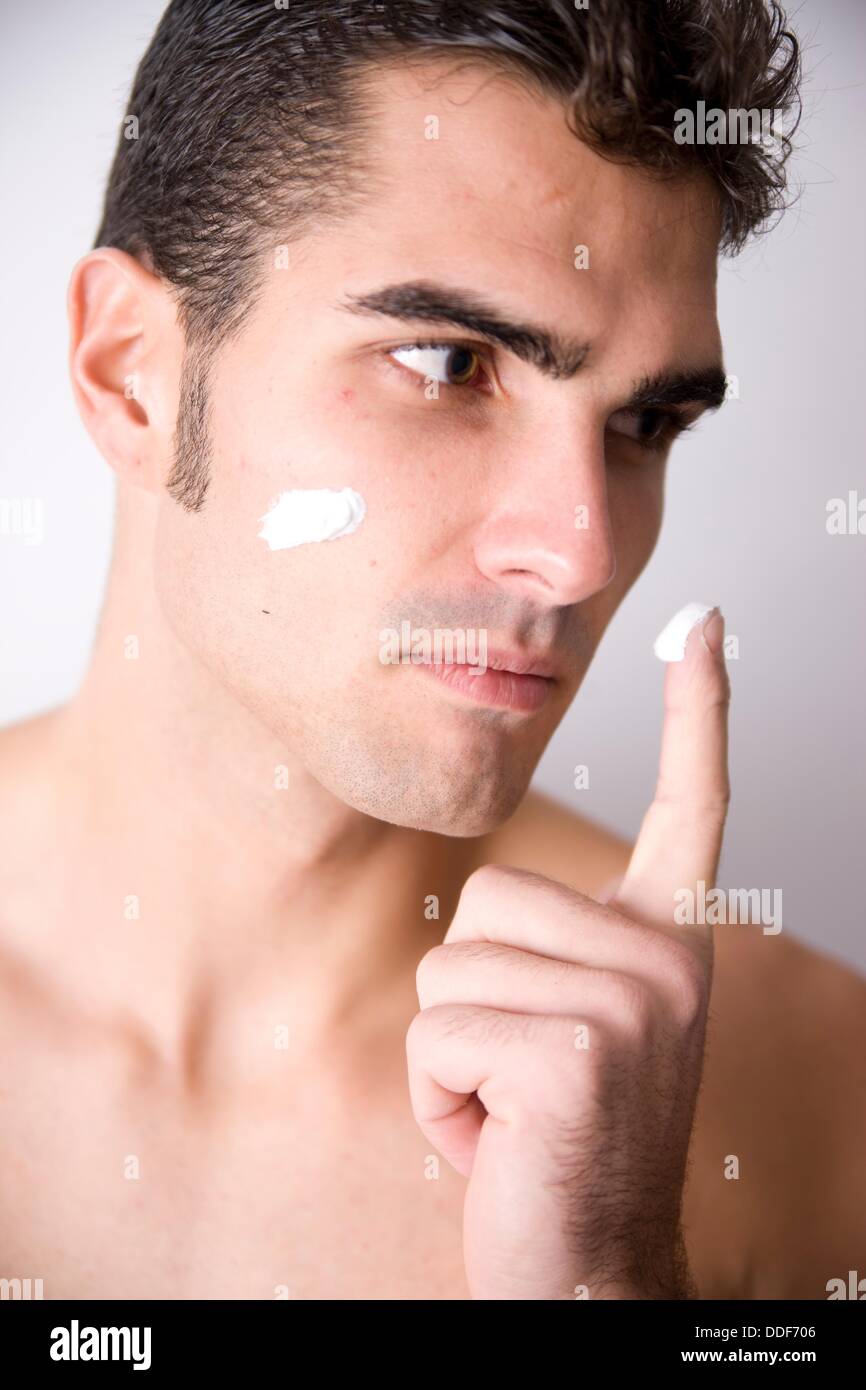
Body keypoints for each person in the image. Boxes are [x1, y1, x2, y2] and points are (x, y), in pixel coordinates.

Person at [0, 0, 862, 1301]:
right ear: (131, 373)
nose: (578, 553)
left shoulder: (810, 1076)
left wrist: (612, 1274)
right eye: (447, 362)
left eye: (643, 424)